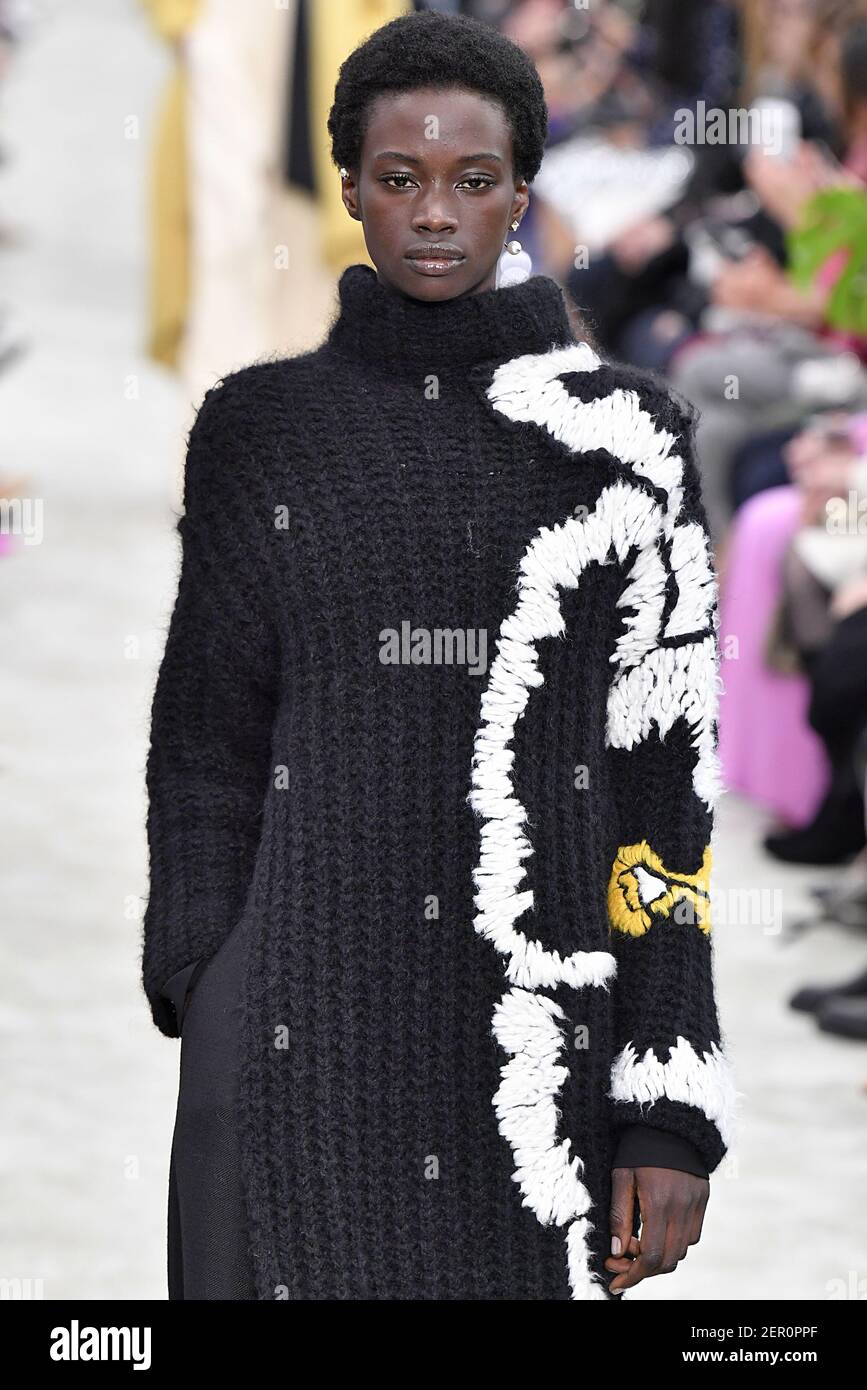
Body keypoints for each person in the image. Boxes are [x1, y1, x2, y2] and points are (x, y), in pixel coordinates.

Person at [141, 10, 737, 1302]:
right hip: (289, 1016)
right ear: (347, 185)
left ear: (522, 191)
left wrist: (665, 1096)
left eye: (473, 182)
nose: (433, 213)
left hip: (535, 1033)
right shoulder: (260, 429)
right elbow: (205, 734)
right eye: (398, 179)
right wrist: (205, 974)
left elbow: (666, 784)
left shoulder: (626, 440)